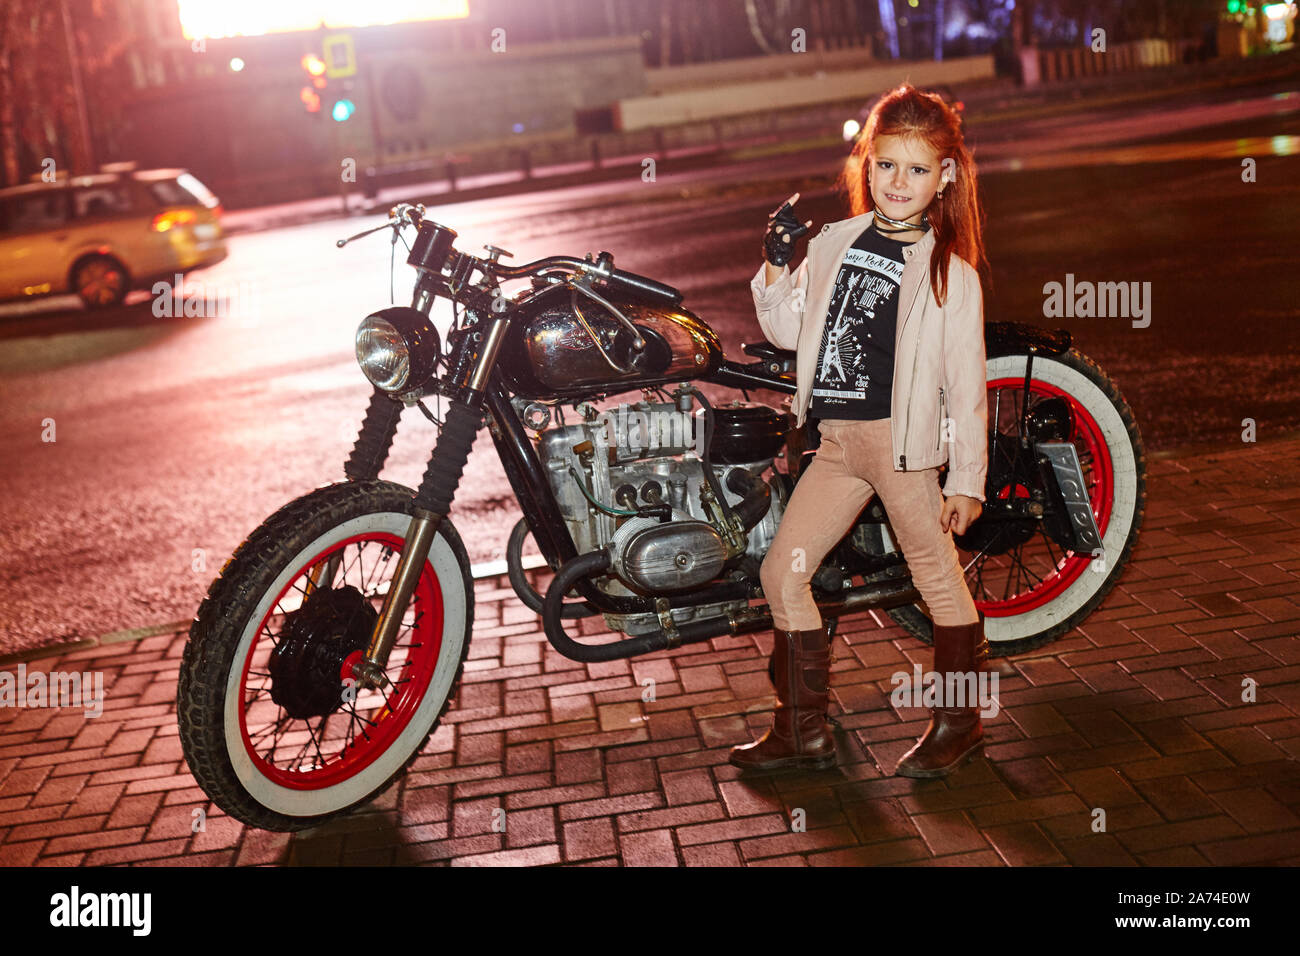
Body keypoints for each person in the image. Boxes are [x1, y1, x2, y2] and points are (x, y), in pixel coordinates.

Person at [731, 83, 992, 777]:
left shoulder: (951, 275)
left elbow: (968, 389)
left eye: (915, 168)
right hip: (839, 444)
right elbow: (788, 331)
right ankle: (801, 731)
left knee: (937, 580)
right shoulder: (835, 241)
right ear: (865, 165)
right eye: (885, 165)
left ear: (945, 177)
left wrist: (966, 480)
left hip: (904, 450)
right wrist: (778, 263)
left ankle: (960, 725)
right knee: (782, 572)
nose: (898, 182)